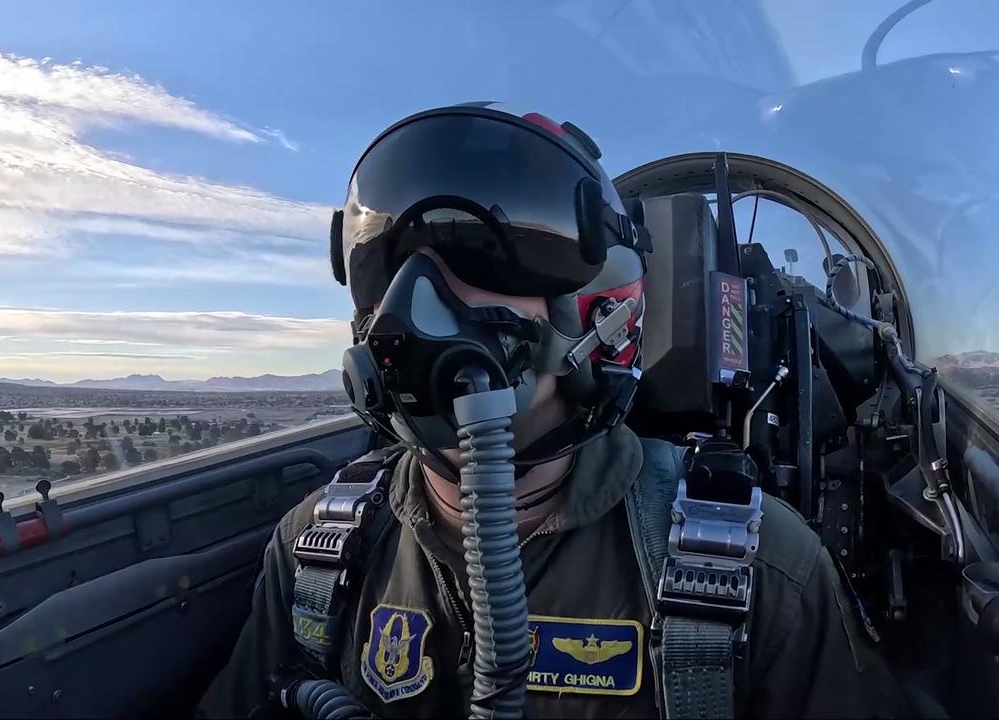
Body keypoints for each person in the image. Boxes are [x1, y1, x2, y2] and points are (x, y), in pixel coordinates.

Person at [199, 103, 905, 719]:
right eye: (390, 265)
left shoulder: (761, 574)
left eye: (484, 260)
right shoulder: (315, 550)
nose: (413, 304)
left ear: (604, 313)